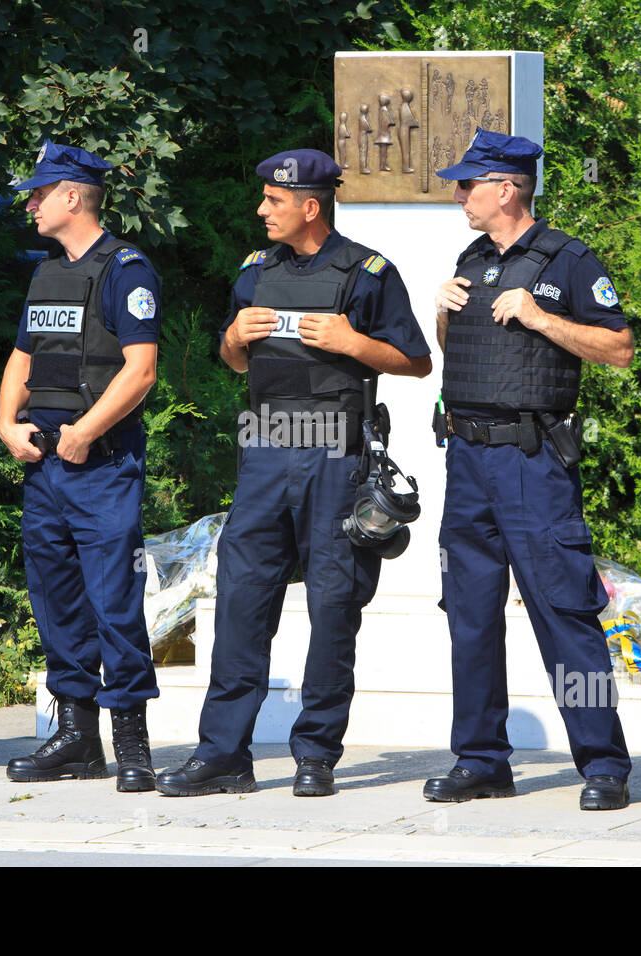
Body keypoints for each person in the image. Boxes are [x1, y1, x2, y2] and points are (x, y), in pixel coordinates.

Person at [156, 149, 431, 797]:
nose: (261, 210)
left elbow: (416, 360)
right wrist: (233, 339)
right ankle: (223, 755)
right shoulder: (255, 272)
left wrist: (352, 344)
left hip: (334, 456)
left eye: (273, 201)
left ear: (310, 207)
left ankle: (316, 755)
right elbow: (234, 361)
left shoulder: (367, 272)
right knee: (242, 602)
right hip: (264, 452)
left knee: (334, 605)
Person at [427, 128, 634, 809]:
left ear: (507, 189)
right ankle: (480, 760)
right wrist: (443, 315)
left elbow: (619, 348)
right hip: (466, 459)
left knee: (563, 609)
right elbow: (461, 356)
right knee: (469, 613)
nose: (460, 195)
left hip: (531, 460)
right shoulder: (471, 258)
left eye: (469, 185)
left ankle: (603, 765)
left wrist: (542, 318)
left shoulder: (569, 260)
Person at [0, 141, 160, 792]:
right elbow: (22, 358)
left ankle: (132, 743)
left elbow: (140, 371)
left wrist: (87, 432)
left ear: (73, 196)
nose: (31, 205)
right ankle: (77, 740)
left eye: (39, 193)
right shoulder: (45, 273)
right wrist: (6, 423)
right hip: (45, 467)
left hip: (101, 466)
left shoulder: (125, 269)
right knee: (56, 601)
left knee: (114, 602)